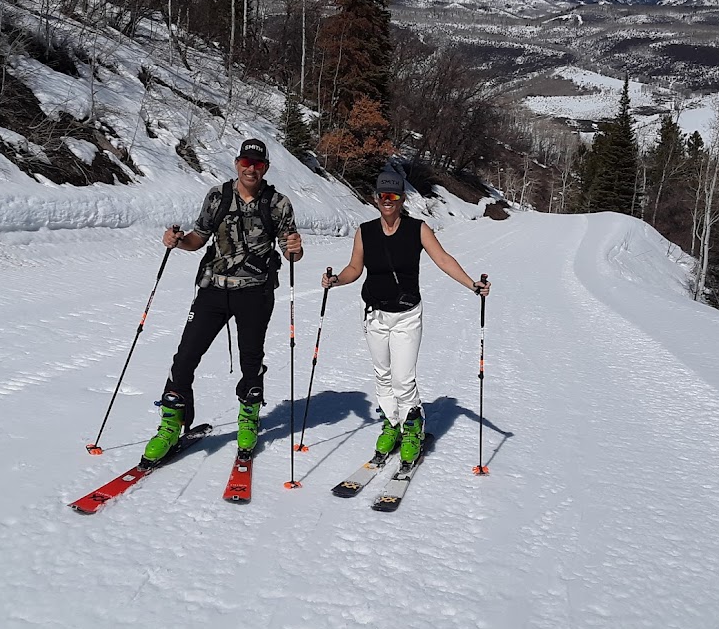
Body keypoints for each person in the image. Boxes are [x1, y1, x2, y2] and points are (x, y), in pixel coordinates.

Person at [142, 139, 303, 466]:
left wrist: (295, 249)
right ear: (236, 163)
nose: (251, 168)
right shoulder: (217, 196)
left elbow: (292, 251)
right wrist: (176, 241)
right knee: (185, 356)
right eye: (246, 161)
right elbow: (198, 238)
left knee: (251, 359)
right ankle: (171, 425)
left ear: (265, 168)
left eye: (257, 164)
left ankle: (248, 418)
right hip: (213, 289)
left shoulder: (278, 204)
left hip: (256, 293)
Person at [322, 170, 490, 464]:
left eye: (394, 196)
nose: (388, 202)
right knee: (382, 375)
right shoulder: (365, 231)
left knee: (402, 378)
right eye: (383, 196)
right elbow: (354, 269)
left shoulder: (418, 229)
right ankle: (392, 422)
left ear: (402, 199)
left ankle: (412, 426)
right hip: (375, 315)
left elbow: (444, 259)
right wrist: (336, 280)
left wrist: (472, 285)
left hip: (407, 315)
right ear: (376, 199)